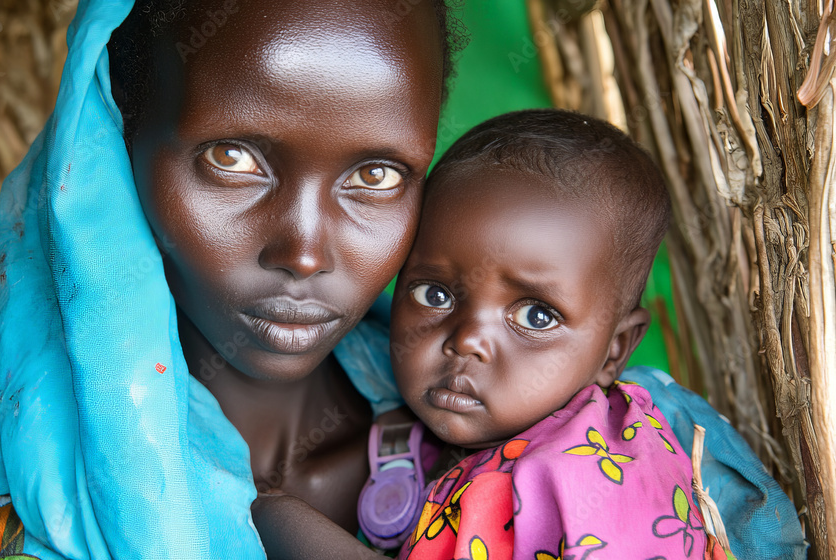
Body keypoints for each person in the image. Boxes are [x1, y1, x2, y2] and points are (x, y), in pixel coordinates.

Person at [0, 2, 804, 559]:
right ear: (112, 151)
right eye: (234, 161)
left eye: (376, 175)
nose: (305, 250)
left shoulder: (602, 448)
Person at [252, 111, 804, 560]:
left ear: (613, 351)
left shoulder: (603, 467)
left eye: (536, 317)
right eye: (434, 294)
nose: (466, 340)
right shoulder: (413, 427)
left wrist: (275, 520)